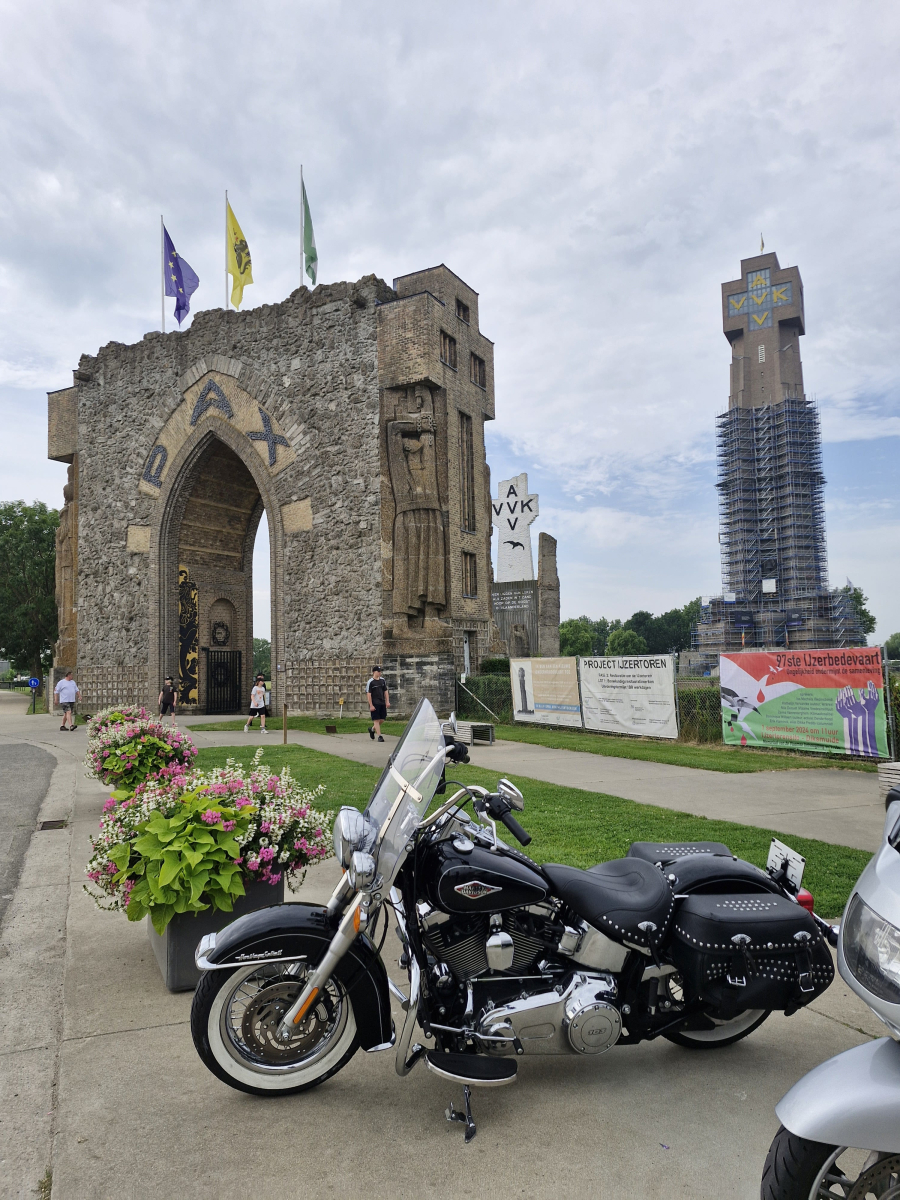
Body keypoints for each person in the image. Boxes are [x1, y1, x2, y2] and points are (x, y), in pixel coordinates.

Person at [366, 666, 390, 742]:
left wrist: (387, 701)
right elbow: (368, 694)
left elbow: (385, 691)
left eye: (380, 671)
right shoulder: (370, 682)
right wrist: (371, 705)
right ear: (374, 672)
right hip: (374, 703)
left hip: (382, 702)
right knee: (376, 720)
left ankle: (372, 729)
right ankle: (380, 736)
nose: (379, 673)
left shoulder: (382, 680)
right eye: (378, 671)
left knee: (382, 719)